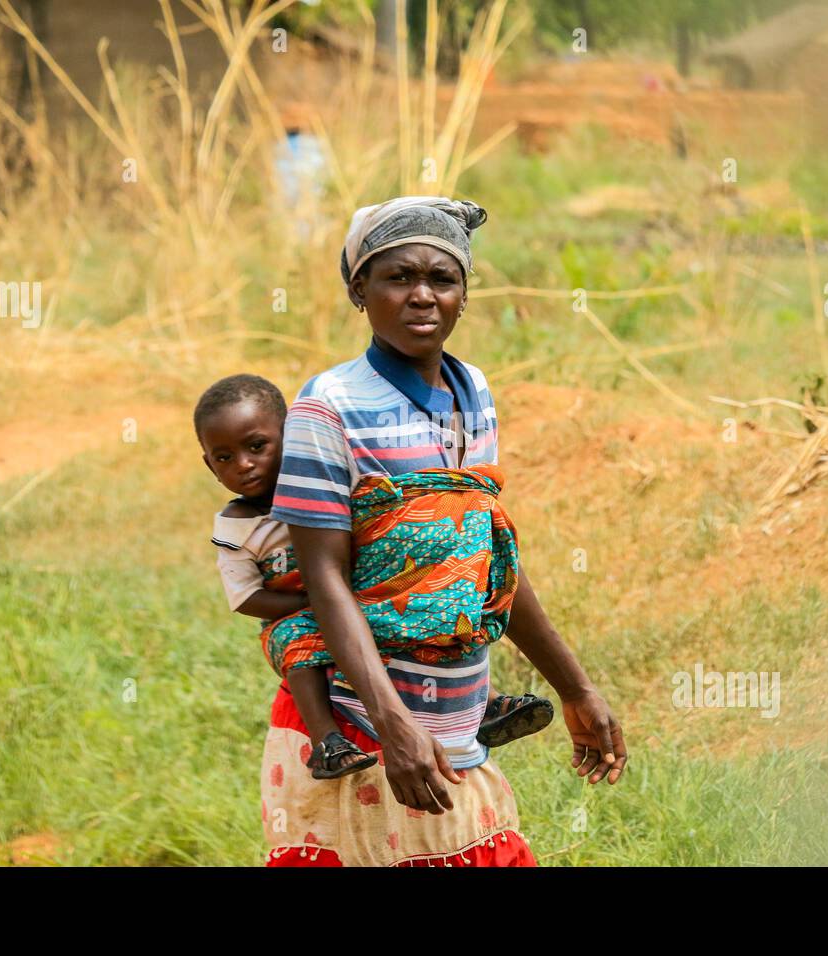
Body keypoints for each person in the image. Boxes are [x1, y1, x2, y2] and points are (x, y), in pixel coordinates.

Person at [255, 195, 627, 867]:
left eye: (443, 279)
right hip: (361, 730)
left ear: (463, 293)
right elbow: (324, 578)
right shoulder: (328, 406)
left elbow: (485, 560)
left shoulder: (474, 393)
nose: (423, 296)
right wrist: (392, 723)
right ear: (358, 290)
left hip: (452, 728)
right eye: (399, 278)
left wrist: (577, 688)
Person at [195, 374, 555, 781]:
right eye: (224, 458)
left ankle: (482, 702)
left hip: (362, 590)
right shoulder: (235, 529)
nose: (243, 464)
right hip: (296, 612)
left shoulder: (329, 482)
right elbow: (245, 598)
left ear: (292, 436)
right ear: (210, 465)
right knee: (296, 650)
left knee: (423, 598)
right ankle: (328, 741)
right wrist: (317, 602)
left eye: (257, 447)